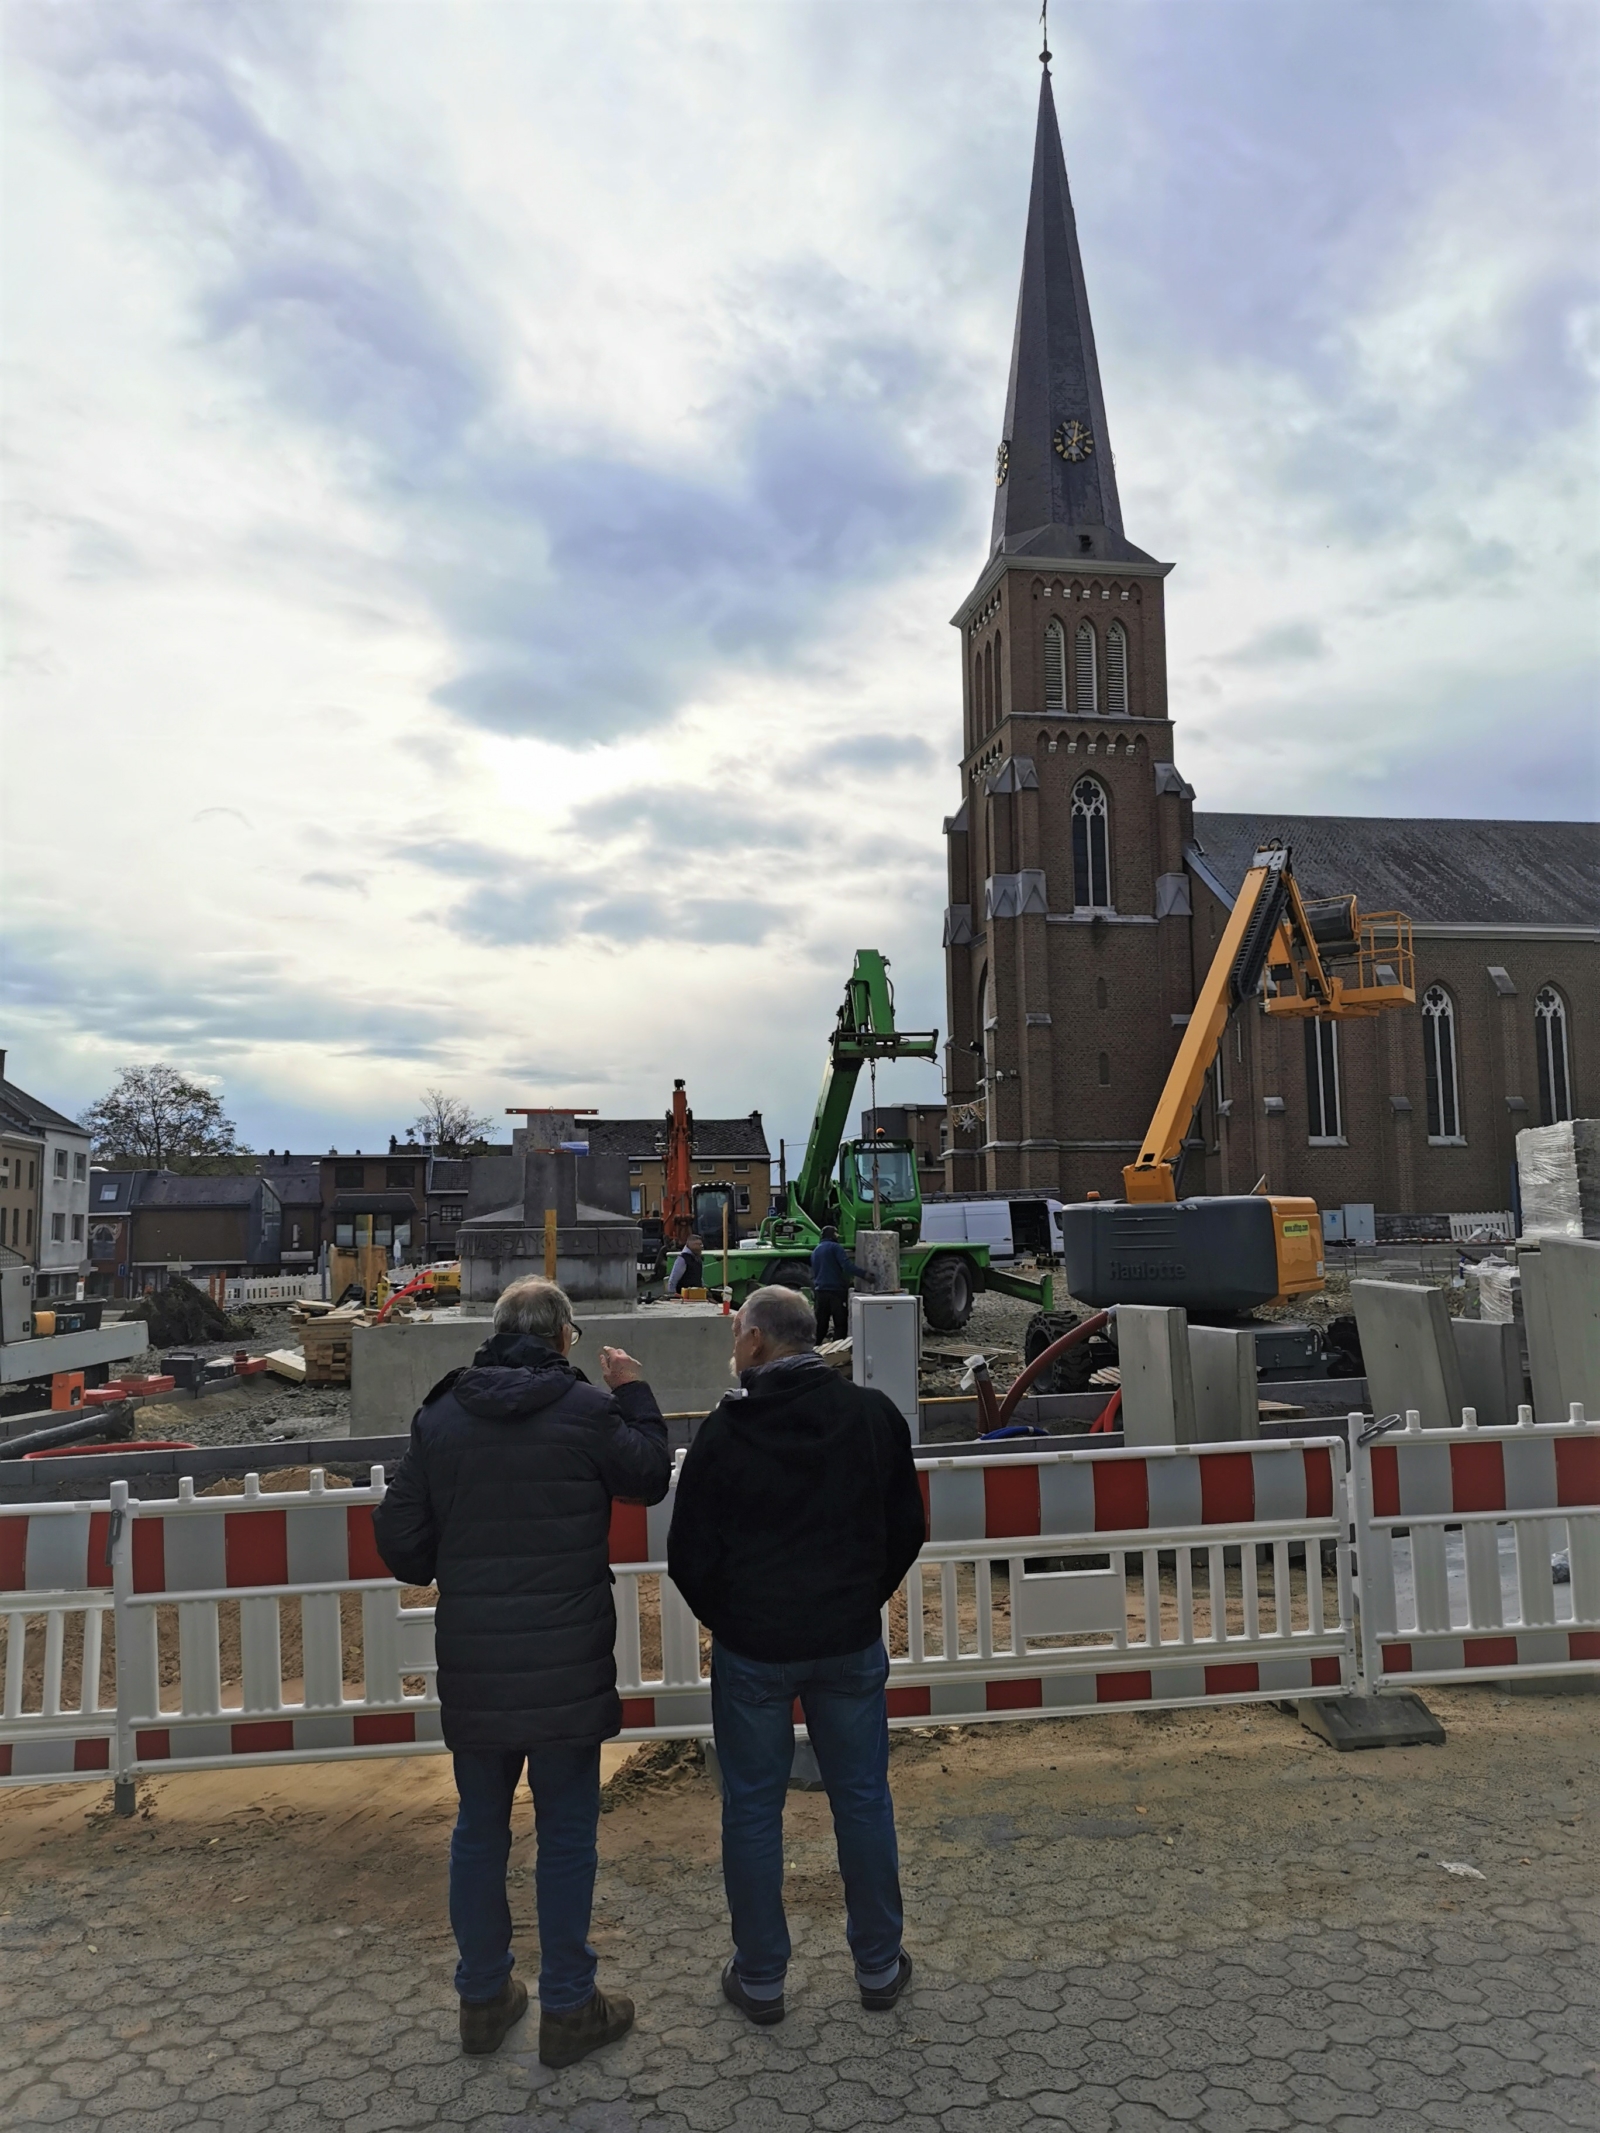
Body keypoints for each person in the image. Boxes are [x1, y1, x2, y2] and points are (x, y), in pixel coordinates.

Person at [372, 1276, 670, 2067]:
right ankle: (570, 2006)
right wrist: (634, 1390)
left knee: (479, 1828)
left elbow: (400, 1538)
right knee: (566, 1831)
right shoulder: (586, 1412)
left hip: (476, 1660)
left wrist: (463, 1563)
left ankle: (482, 1997)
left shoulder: (441, 1418)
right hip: (567, 1662)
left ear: (495, 1332)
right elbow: (647, 1476)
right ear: (564, 1338)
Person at [667, 1284, 925, 2024]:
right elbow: (906, 1525)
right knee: (863, 1798)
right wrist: (858, 1597)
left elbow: (688, 1552)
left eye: (737, 1334)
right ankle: (879, 1965)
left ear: (755, 1341)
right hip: (846, 1642)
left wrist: (736, 1618)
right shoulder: (871, 1416)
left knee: (752, 1808)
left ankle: (761, 1979)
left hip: (754, 1651)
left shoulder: (725, 1432)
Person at [808, 1224, 860, 1342]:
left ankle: (815, 1347)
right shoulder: (836, 1247)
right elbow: (847, 1266)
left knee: (821, 1323)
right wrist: (864, 1274)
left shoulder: (816, 1250)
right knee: (840, 1323)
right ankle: (838, 1351)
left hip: (820, 1291)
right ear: (834, 1235)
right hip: (836, 1291)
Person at [666, 1232, 704, 1297]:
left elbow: (699, 1278)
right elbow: (673, 1280)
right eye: (699, 1245)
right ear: (692, 1245)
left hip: (696, 1296)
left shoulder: (697, 1259)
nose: (701, 1247)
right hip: (683, 1297)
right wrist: (672, 1294)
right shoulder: (682, 1259)